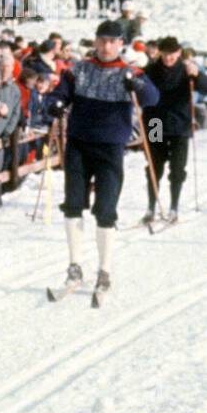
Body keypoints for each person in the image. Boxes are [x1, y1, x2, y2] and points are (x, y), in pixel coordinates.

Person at [46, 20, 158, 301]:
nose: (106, 46)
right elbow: (61, 93)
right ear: (95, 42)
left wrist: (138, 85)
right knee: (73, 206)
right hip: (79, 145)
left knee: (105, 210)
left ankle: (104, 271)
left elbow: (152, 99)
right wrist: (56, 103)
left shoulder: (130, 72)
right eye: (102, 40)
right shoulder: (79, 69)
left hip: (110, 148)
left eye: (112, 41)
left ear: (121, 44)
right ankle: (74, 268)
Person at [141, 37, 206, 224]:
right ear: (160, 52)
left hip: (180, 123)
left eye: (172, 54)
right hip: (155, 122)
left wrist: (197, 75)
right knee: (154, 165)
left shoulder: (187, 69)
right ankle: (151, 207)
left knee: (177, 168)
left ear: (178, 53)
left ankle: (174, 207)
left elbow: (205, 87)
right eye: (165, 53)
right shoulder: (151, 70)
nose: (169, 58)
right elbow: (139, 88)